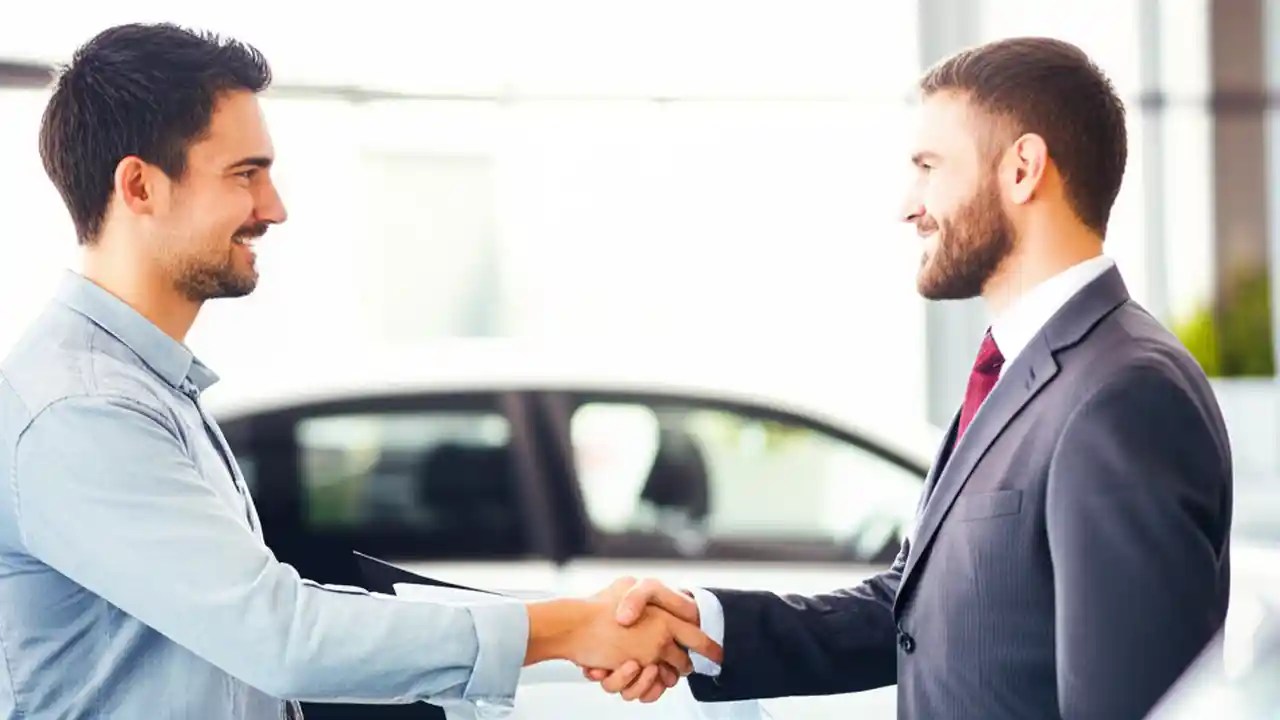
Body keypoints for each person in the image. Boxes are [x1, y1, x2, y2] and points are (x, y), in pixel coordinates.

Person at [0, 23, 719, 720]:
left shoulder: (142, 386)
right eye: (245, 175)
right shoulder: (82, 408)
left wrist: (566, 631)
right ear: (140, 188)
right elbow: (279, 636)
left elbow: (260, 625)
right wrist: (567, 627)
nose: (273, 209)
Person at [587, 36, 1233, 719]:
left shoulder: (1121, 397)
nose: (908, 205)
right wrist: (703, 628)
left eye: (929, 166)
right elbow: (914, 612)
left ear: (1023, 170)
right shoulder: (1021, 370)